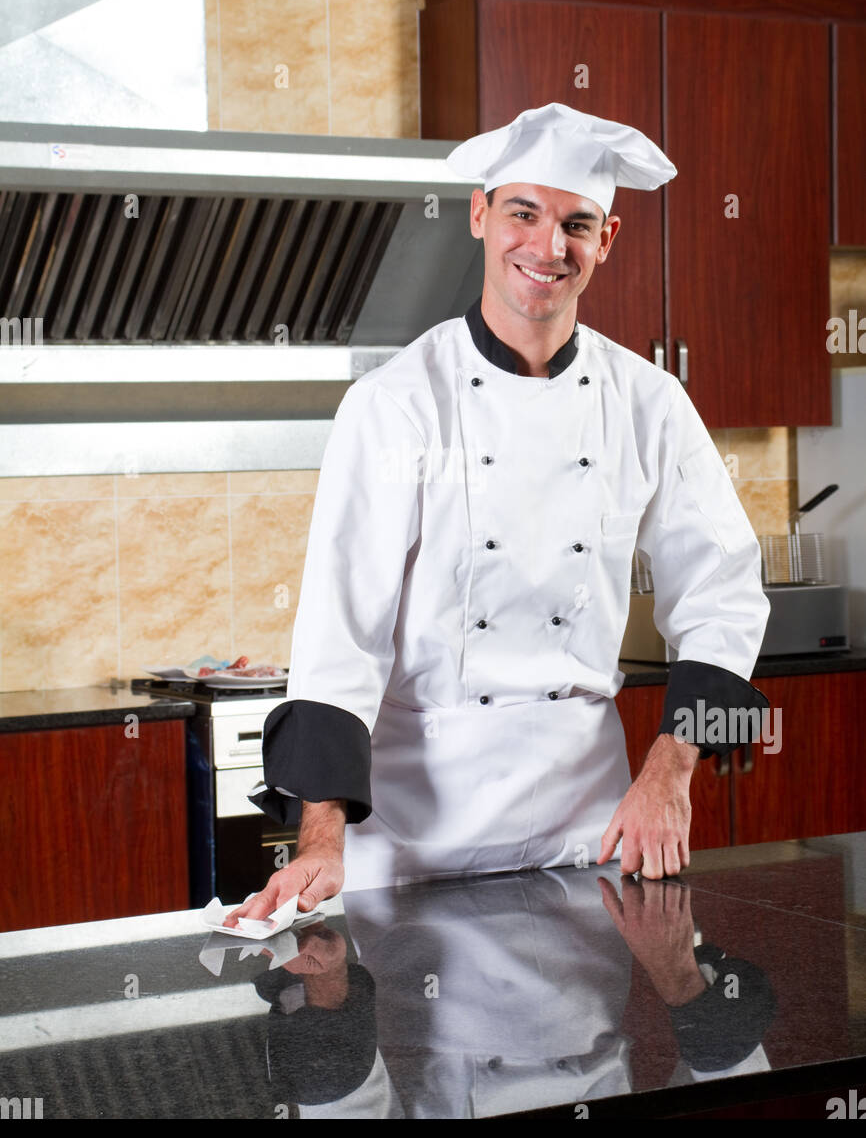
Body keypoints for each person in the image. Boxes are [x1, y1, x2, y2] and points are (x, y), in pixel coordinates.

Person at [226, 102, 770, 929]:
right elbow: (342, 640)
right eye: (524, 213)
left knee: (592, 1054)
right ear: (481, 216)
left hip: (584, 836)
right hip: (412, 851)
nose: (549, 248)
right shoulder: (395, 405)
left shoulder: (652, 404)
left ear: (607, 240)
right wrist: (321, 838)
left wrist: (671, 770)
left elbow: (727, 597)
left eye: (576, 225)